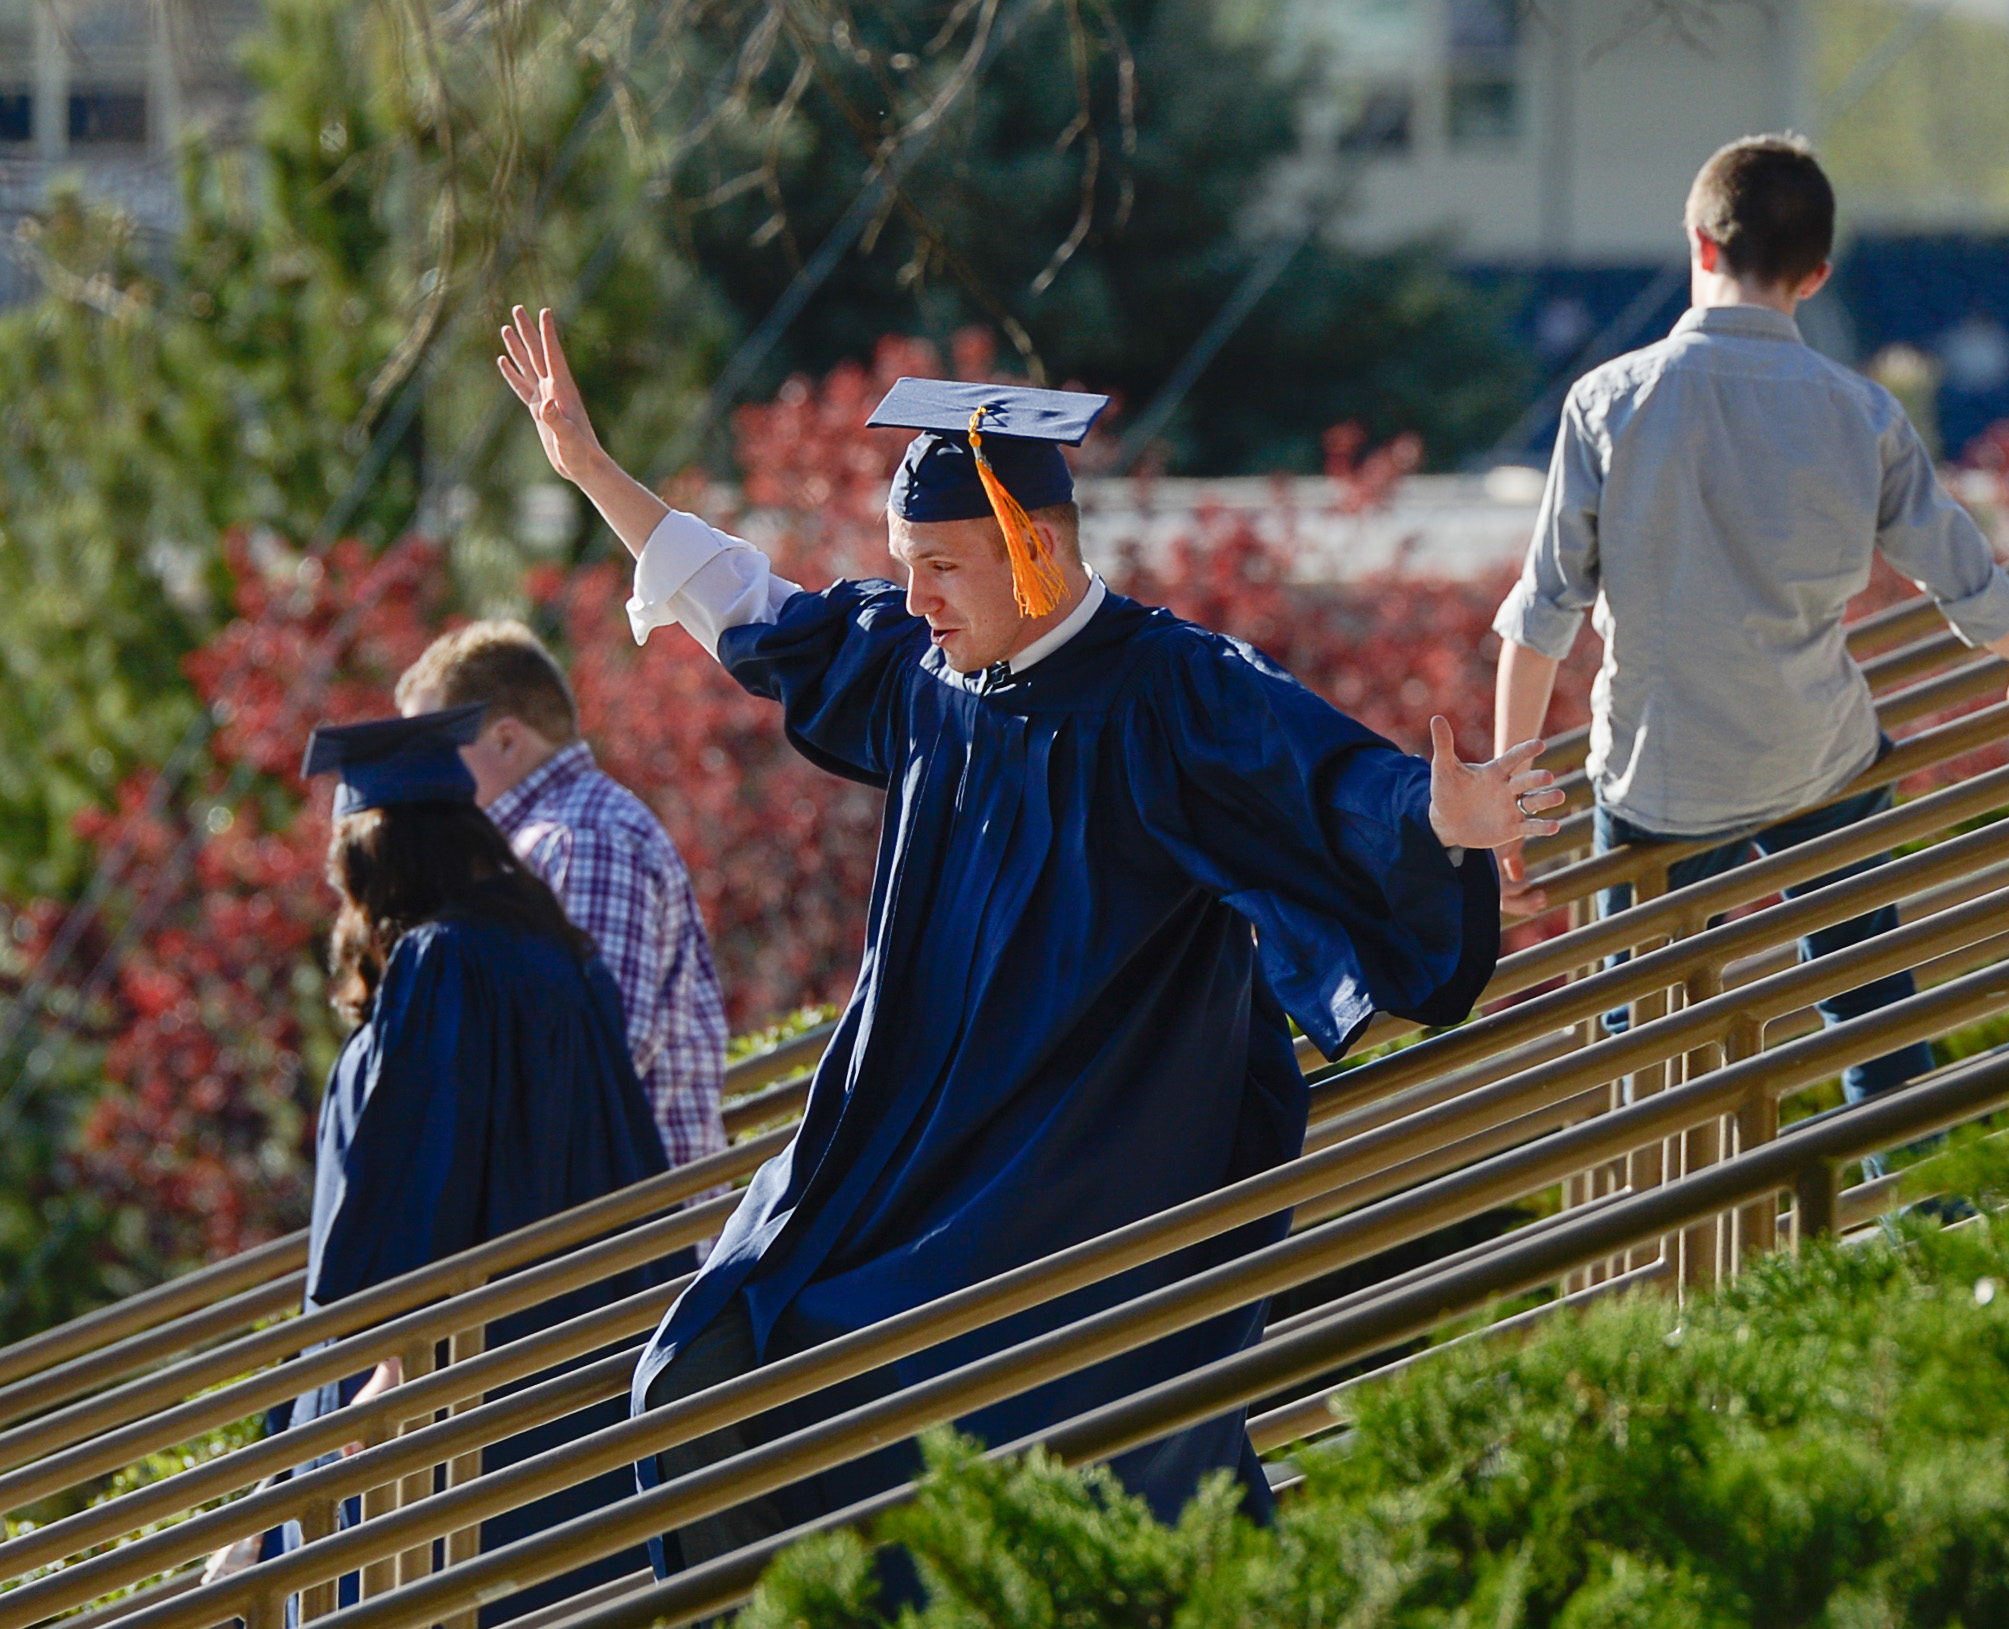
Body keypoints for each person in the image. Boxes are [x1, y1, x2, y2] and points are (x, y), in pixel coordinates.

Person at [494, 311, 1552, 1577]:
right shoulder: (925, 674)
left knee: (939, 1408)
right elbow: (758, 614)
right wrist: (592, 471)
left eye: (942, 565)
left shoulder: (1169, 691)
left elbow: (1319, 778)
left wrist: (1438, 818)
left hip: (1074, 1156)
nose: (915, 595)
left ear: (1034, 547)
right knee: (705, 1367)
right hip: (902, 1139)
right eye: (904, 563)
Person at [1487, 132, 2009, 1125]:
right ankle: (1919, 1200)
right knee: (1870, 1004)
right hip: (1818, 756)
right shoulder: (1863, 414)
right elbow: (1962, 574)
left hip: (1661, 777)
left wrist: (1511, 789)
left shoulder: (1608, 402)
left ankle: (1658, 1244)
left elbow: (1543, 611)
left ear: (1698, 243)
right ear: (1817, 275)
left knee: (1637, 1039)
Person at [201, 706, 687, 1624]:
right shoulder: (563, 964)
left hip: (424, 1410)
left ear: (380, 864)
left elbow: (405, 1204)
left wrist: (366, 1380)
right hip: (560, 1393)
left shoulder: (442, 968)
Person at [394, 622, 730, 1184]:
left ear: (505, 740)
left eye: (432, 752)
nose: (417, 780)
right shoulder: (555, 839)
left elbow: (591, 1060)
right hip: (611, 1226)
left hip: (628, 1240)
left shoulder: (579, 840)